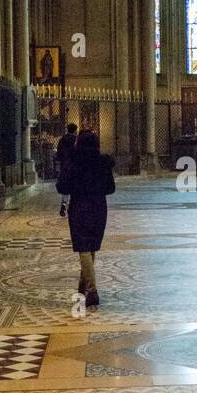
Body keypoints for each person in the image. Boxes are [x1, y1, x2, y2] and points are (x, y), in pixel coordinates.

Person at [62, 129, 115, 306]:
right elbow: (110, 189)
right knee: (91, 246)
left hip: (79, 207)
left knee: (83, 246)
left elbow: (62, 187)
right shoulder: (103, 163)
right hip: (99, 207)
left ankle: (91, 290)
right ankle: (83, 285)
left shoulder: (74, 163)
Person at [55, 122, 78, 217]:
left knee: (66, 186)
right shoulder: (76, 140)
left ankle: (64, 204)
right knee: (75, 187)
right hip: (75, 166)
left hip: (65, 166)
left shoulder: (62, 139)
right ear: (75, 130)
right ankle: (72, 208)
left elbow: (59, 153)